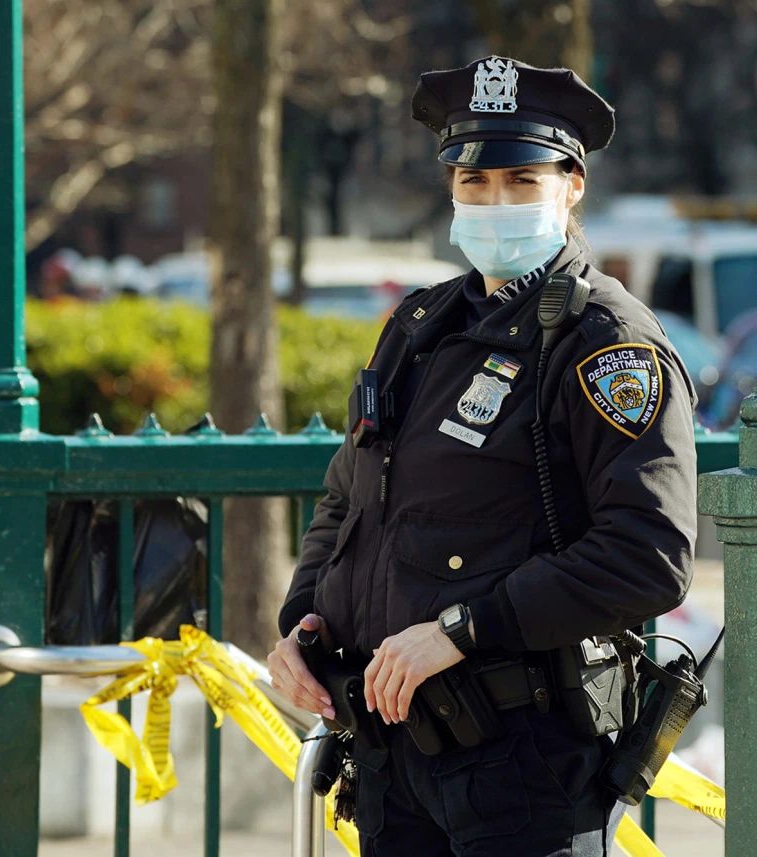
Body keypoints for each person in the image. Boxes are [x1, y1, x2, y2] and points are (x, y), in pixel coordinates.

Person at [267, 55, 698, 856]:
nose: (494, 202)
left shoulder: (607, 342)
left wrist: (464, 630)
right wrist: (305, 623)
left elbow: (647, 556)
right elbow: (350, 497)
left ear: (572, 187)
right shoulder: (422, 326)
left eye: (521, 181)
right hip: (395, 756)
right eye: (475, 183)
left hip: (523, 757)